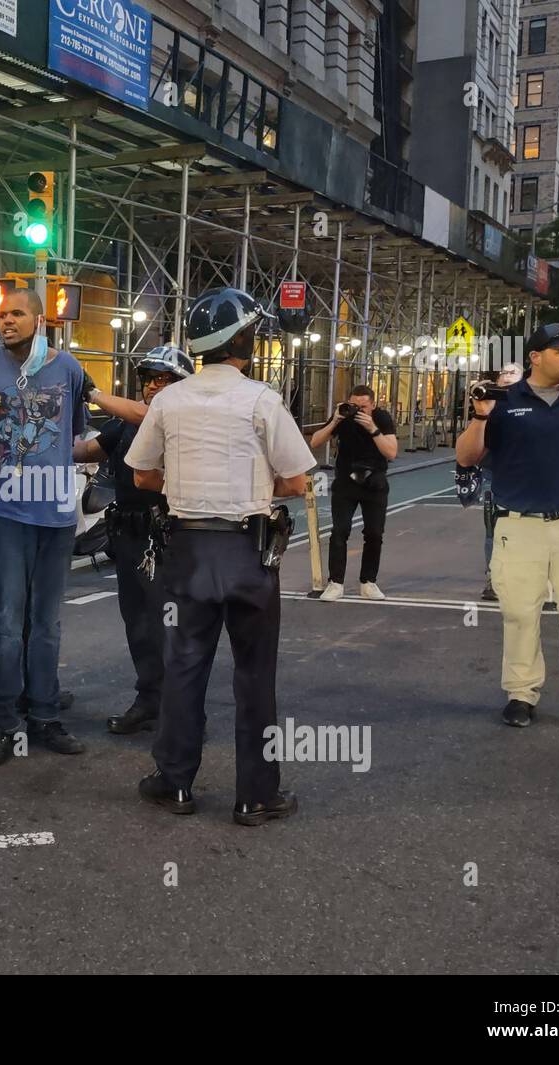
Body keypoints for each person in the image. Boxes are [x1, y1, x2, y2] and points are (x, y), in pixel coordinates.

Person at [125, 287, 315, 824]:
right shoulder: (261, 399)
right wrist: (249, 487)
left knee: (184, 666)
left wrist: (188, 486)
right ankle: (256, 794)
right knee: (255, 675)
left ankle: (175, 782)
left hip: (186, 549)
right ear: (244, 340)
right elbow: (297, 480)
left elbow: (142, 474)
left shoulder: (167, 399)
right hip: (248, 550)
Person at [455, 323, 559, 737]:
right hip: (518, 526)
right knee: (518, 614)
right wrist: (480, 415)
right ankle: (521, 693)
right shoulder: (503, 400)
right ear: (535, 356)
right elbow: (467, 457)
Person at [0, 288, 90, 760]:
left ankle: (46, 716)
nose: (7, 320)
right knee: (8, 621)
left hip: (55, 515)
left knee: (47, 623)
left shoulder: (68, 368)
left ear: (38, 318)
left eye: (16, 313)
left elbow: (73, 435)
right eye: (2, 314)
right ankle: (4, 724)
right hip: (5, 513)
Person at [72, 345, 192, 735]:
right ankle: (149, 700)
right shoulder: (125, 423)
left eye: (165, 379)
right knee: (137, 622)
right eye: (149, 379)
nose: (154, 387)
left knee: (170, 626)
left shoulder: (178, 419)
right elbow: (87, 450)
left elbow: (145, 416)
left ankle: (181, 712)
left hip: (166, 535)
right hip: (127, 533)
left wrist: (90, 391)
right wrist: (39, 439)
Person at [308, 384, 398, 601]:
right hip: (346, 482)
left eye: (363, 407)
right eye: (354, 405)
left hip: (374, 483)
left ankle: (368, 582)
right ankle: (335, 583)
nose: (358, 411)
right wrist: (336, 420)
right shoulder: (343, 416)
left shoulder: (382, 418)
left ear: (373, 405)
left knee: (374, 533)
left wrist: (372, 428)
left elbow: (391, 452)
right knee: (339, 531)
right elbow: (315, 441)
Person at [479, 364, 524, 602]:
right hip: (493, 474)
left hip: (526, 477)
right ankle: (493, 578)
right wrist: (481, 411)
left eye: (512, 373)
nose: (507, 376)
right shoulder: (488, 403)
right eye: (503, 373)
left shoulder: (531, 404)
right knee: (492, 529)